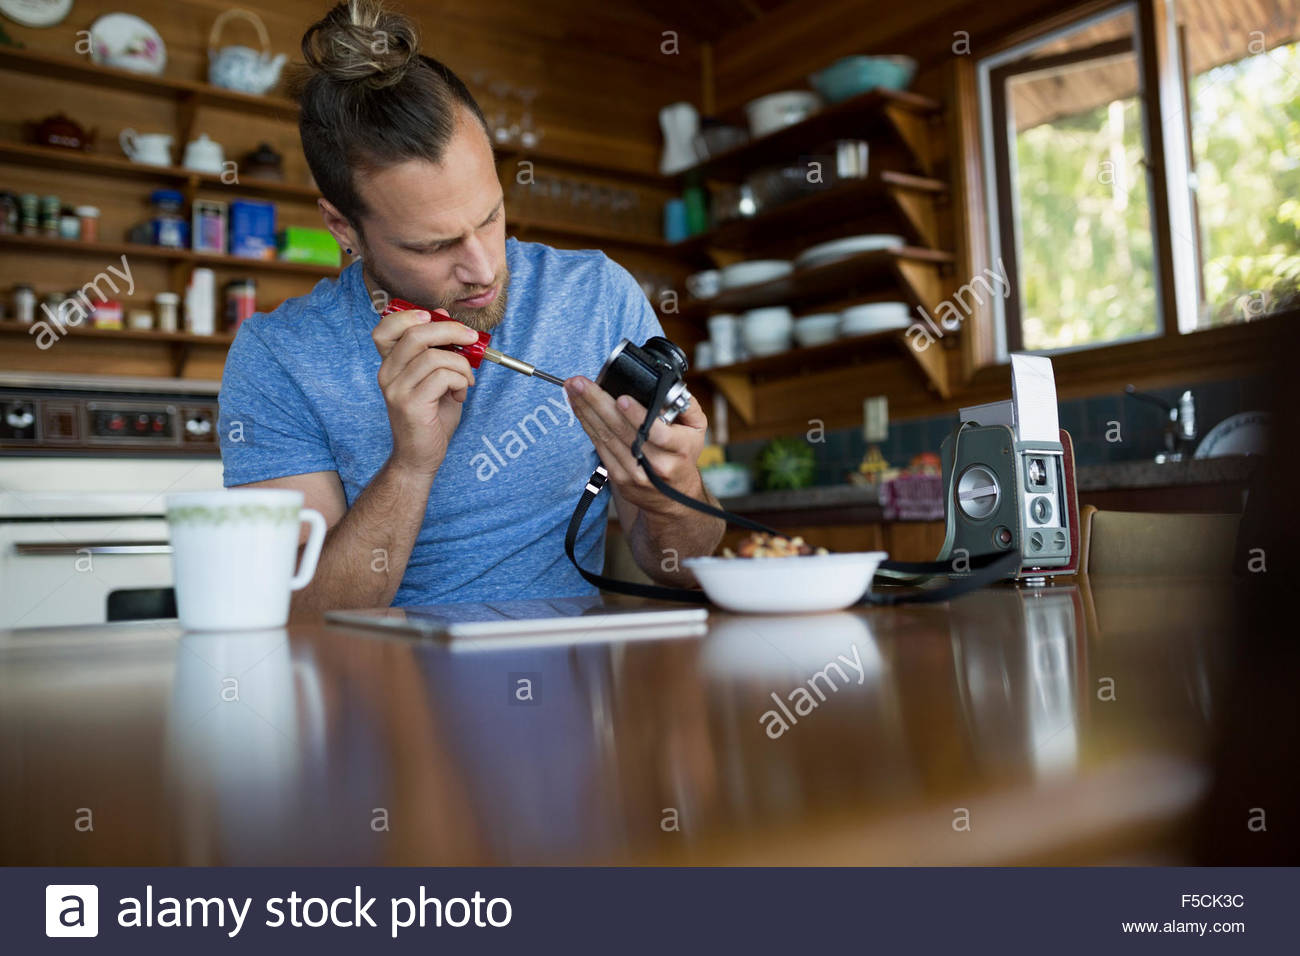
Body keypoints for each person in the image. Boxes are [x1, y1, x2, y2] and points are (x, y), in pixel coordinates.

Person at [218, 0, 724, 609]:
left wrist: (672, 489)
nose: (483, 270)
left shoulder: (597, 295)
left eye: (490, 218)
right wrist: (411, 465)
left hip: (567, 685)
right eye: (432, 246)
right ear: (342, 226)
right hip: (376, 693)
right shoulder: (278, 356)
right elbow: (298, 615)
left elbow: (683, 569)